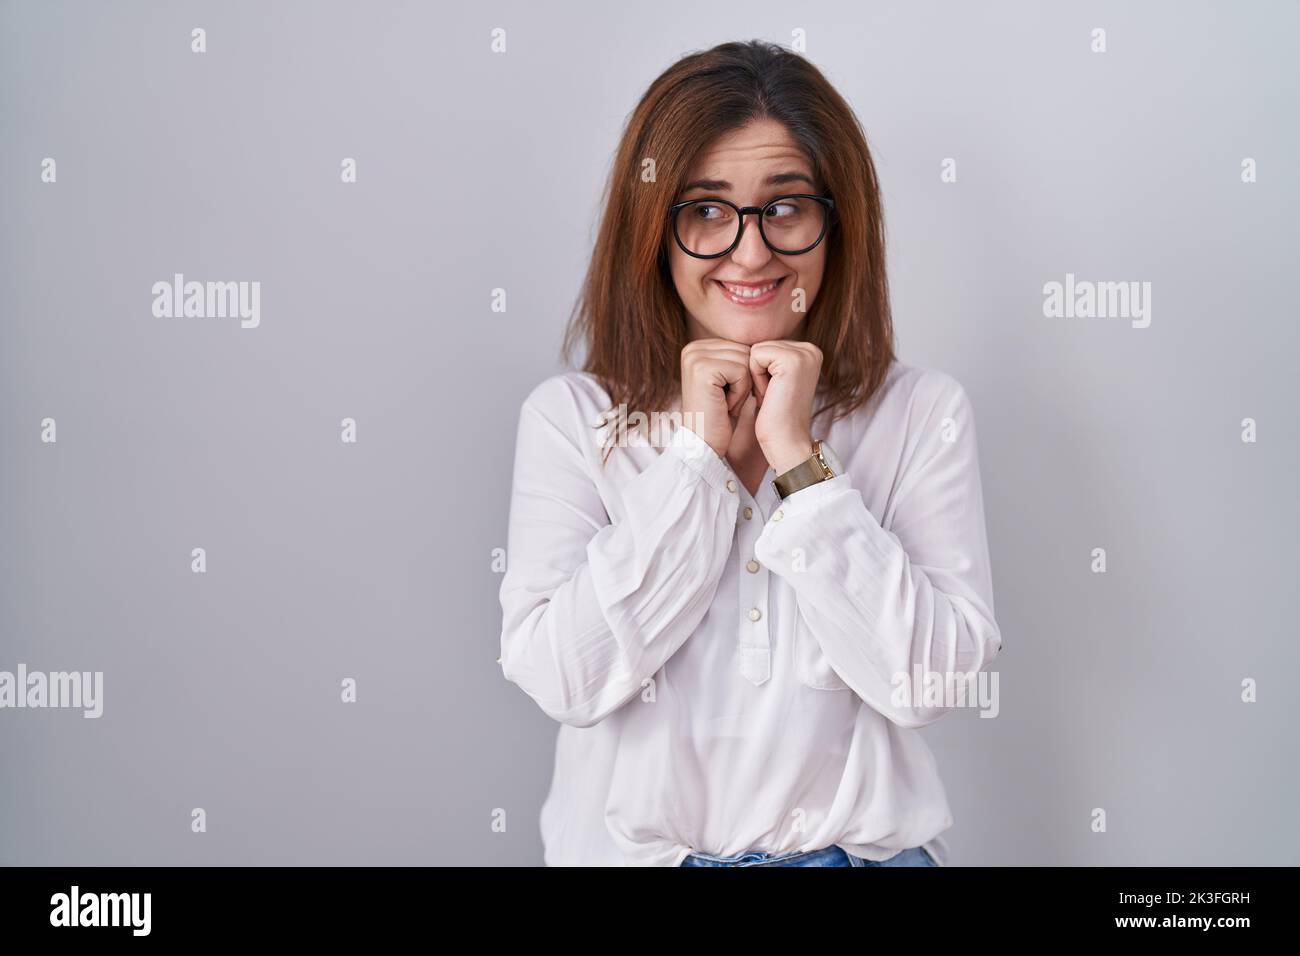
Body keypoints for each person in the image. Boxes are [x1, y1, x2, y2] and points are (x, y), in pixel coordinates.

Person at [497, 39, 1002, 867]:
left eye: (785, 206)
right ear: (653, 233)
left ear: (838, 222)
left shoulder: (921, 411)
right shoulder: (571, 420)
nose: (751, 251)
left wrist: (801, 463)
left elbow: (933, 684)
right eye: (705, 210)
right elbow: (565, 680)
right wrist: (694, 459)